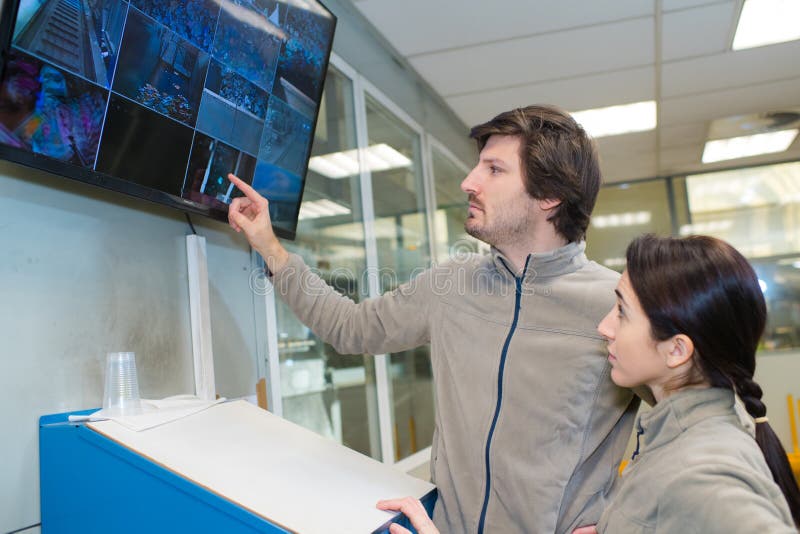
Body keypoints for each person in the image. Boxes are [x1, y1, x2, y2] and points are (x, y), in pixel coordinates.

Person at [227, 105, 639, 533]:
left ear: (549, 196)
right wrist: (270, 247)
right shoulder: (451, 285)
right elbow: (350, 328)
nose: (469, 182)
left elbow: (689, 424)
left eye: (494, 170)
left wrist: (624, 521)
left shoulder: (614, 305)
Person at [381, 234, 800, 533]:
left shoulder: (702, 473)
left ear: (677, 350)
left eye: (621, 312)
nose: (604, 327)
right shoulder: (677, 439)